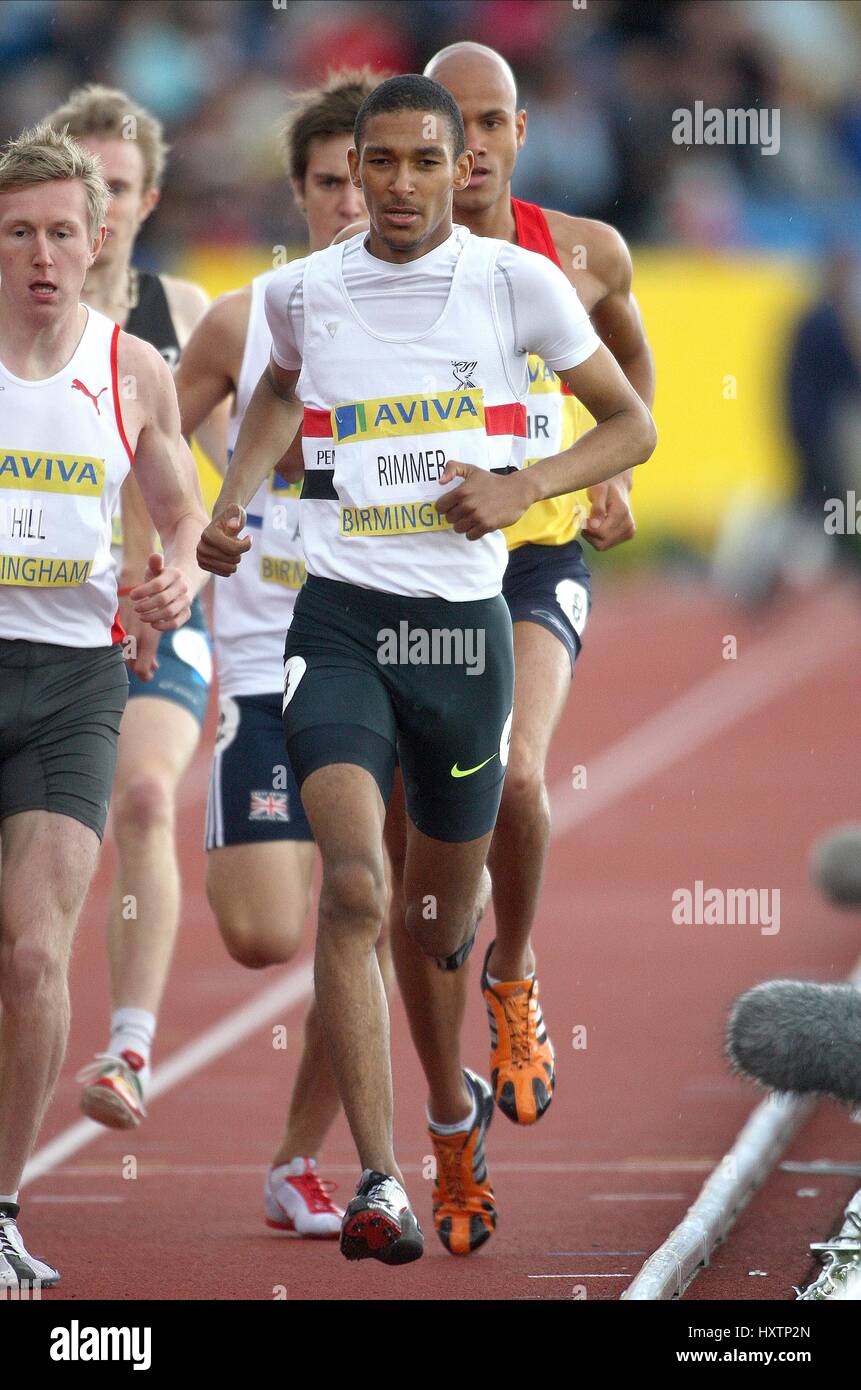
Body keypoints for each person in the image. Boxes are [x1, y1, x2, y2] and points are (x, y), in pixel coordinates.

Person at [197, 73, 655, 1266]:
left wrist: (530, 486)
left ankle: (458, 1114)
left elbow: (631, 423)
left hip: (463, 637)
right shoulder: (302, 291)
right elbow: (282, 389)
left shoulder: (522, 283)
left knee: (432, 917)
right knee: (351, 889)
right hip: (340, 624)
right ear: (357, 167)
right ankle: (384, 1179)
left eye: (422, 162)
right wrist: (236, 500)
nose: (397, 185)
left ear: (465, 170)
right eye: (378, 162)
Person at [378, 42, 658, 1255]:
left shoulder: (586, 251)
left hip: (534, 556)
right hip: (422, 573)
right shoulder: (383, 267)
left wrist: (602, 483)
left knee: (524, 776)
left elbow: (634, 378)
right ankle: (441, 1117)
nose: (477, 148)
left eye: (496, 124)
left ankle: (517, 975)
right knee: (411, 886)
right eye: (461, 126)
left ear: (523, 130)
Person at [0, 123, 207, 1288]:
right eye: (19, 232)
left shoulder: (130, 368)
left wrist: (176, 569)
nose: (41, 254)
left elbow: (179, 508)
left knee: (34, 958)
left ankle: (0, 1206)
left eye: (62, 233)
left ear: (98, 244)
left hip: (76, 680)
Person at [176, 71, 379, 1236]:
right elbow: (149, 421)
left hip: (389, 651)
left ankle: (302, 1159)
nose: (355, 203)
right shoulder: (239, 318)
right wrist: (199, 494)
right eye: (331, 183)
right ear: (299, 190)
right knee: (264, 933)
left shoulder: (438, 315)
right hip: (262, 662)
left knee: (367, 905)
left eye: (372, 178)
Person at [41, 85, 221, 1129]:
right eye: (82, 188)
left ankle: (129, 1049)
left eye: (117, 189)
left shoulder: (180, 316)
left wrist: (182, 572)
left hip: (156, 615)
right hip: (43, 614)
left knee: (145, 800)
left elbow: (232, 478)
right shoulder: (23, 309)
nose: (99, 211)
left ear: (147, 199)